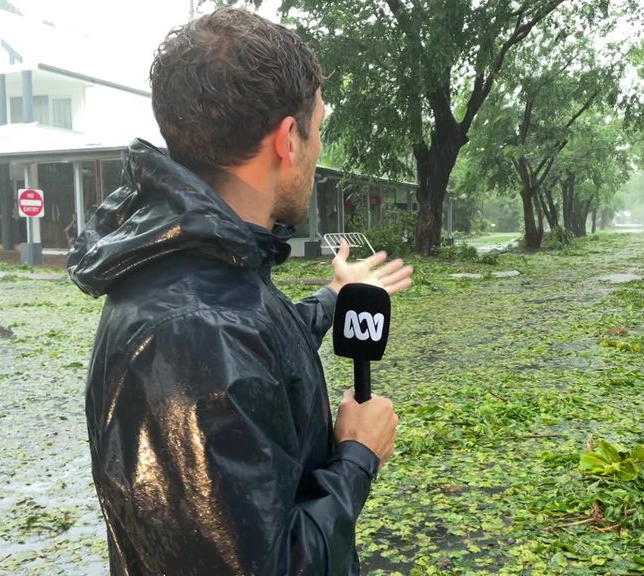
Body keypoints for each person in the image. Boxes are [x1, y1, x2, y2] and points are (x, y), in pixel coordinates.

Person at [66, 8, 412, 575]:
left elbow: (254, 354)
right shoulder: (194, 328)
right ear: (288, 139)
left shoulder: (204, 267)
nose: (317, 150)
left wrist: (332, 296)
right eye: (318, 129)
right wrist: (357, 456)